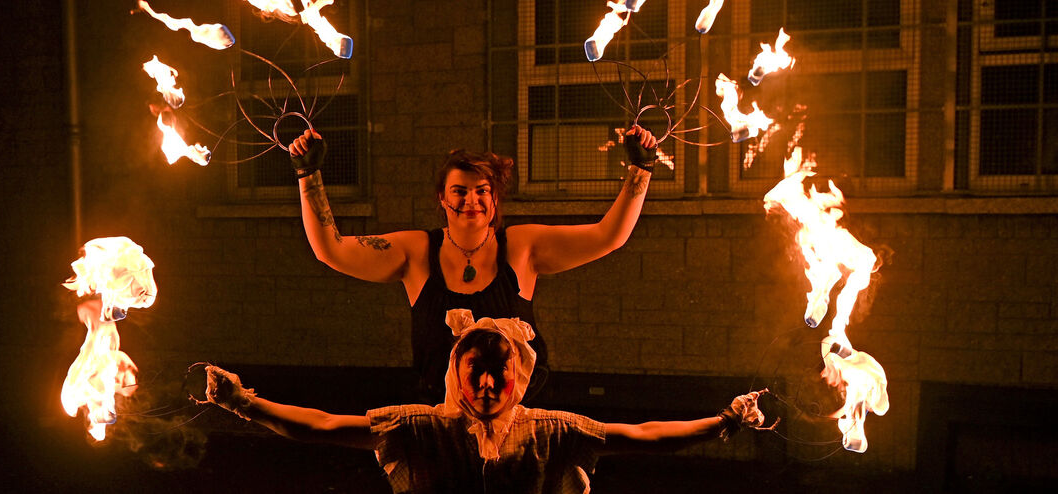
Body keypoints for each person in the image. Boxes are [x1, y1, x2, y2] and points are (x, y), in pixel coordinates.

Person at [204, 309, 768, 493]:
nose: (490, 385)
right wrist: (244, 403)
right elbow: (326, 426)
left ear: (519, 378)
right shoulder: (420, 428)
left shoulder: (554, 431)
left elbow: (642, 436)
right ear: (457, 373)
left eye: (502, 373)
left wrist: (722, 421)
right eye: (479, 371)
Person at [289, 125, 660, 401]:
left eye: (482, 191)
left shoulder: (520, 247)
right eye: (460, 191)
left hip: (517, 421)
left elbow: (608, 236)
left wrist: (641, 168)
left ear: (495, 199)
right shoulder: (417, 251)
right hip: (441, 422)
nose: (472, 200)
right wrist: (309, 176)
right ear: (442, 198)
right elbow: (331, 250)